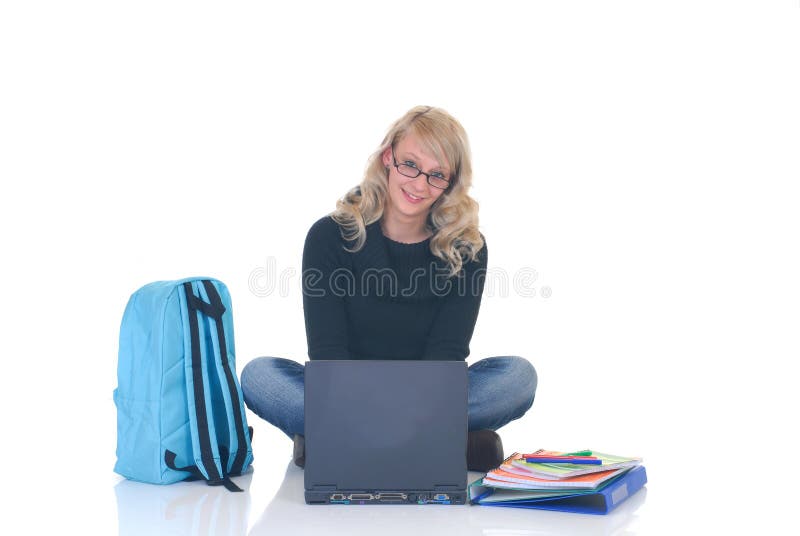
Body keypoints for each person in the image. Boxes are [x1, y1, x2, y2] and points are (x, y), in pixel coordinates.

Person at [241, 105, 537, 472]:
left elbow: (447, 354)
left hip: (428, 397)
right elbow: (328, 353)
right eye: (410, 164)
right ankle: (440, 442)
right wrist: (368, 407)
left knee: (518, 376)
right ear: (387, 157)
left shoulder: (467, 247)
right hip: (345, 394)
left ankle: (338, 440)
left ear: (451, 182)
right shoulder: (329, 236)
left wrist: (400, 411)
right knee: (259, 376)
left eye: (437, 174)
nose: (419, 184)